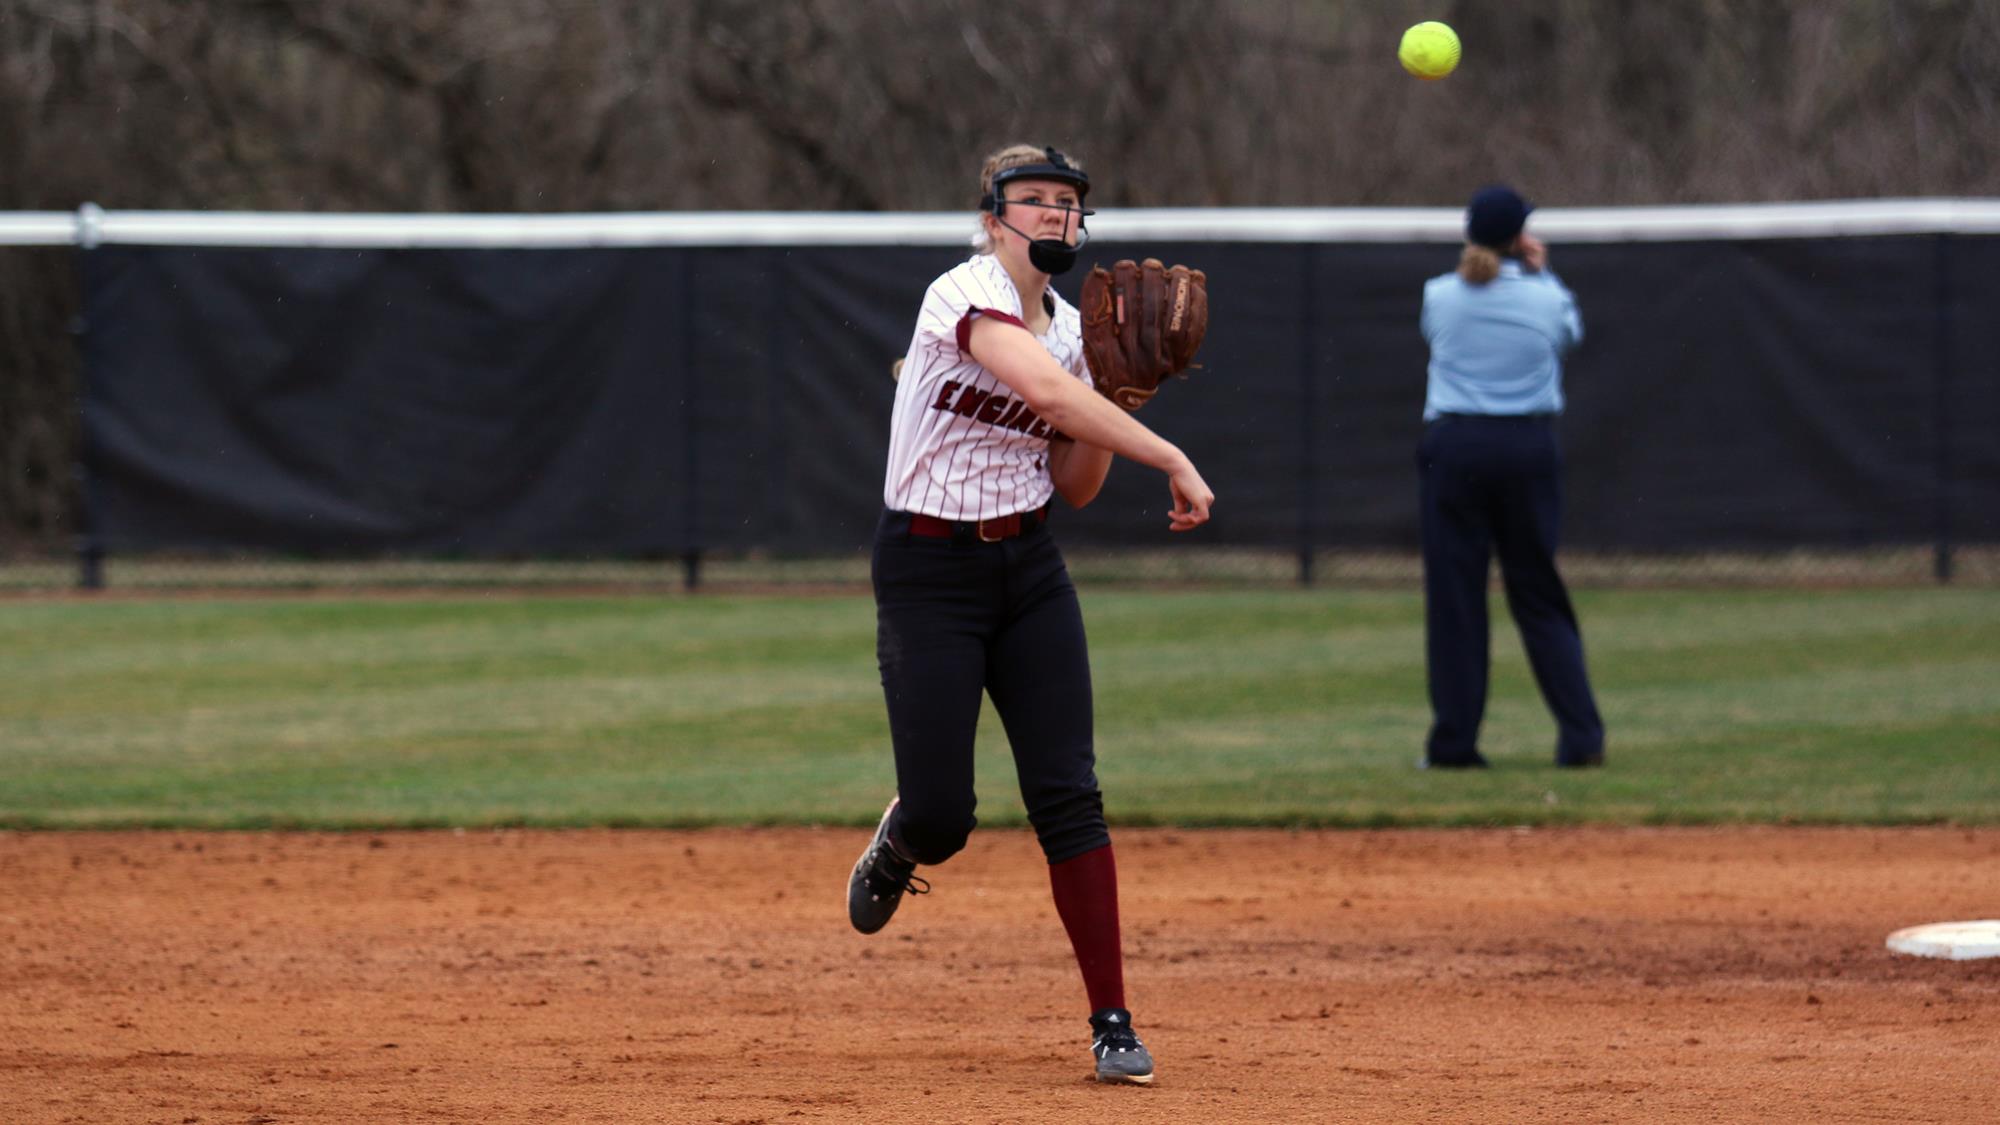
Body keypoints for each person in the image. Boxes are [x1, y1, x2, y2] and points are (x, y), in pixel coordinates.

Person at [846, 142, 1215, 1086]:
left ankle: (1112, 1019)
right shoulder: (958, 293)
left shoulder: (1078, 340)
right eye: (1033, 199)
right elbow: (1044, 391)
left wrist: (1122, 394)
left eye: (1067, 203)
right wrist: (1167, 451)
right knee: (945, 813)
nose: (1053, 215)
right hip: (928, 570)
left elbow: (1075, 485)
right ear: (992, 215)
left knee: (1069, 794)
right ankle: (902, 838)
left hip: (1030, 569)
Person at [1416, 184, 1605, 770]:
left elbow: (1439, 326)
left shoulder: (1440, 294)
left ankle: (1454, 746)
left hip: (1455, 448)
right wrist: (1540, 272)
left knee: (1456, 600)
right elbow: (1569, 336)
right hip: (1526, 447)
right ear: (1521, 237)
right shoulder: (1547, 298)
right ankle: (1581, 740)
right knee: (1538, 594)